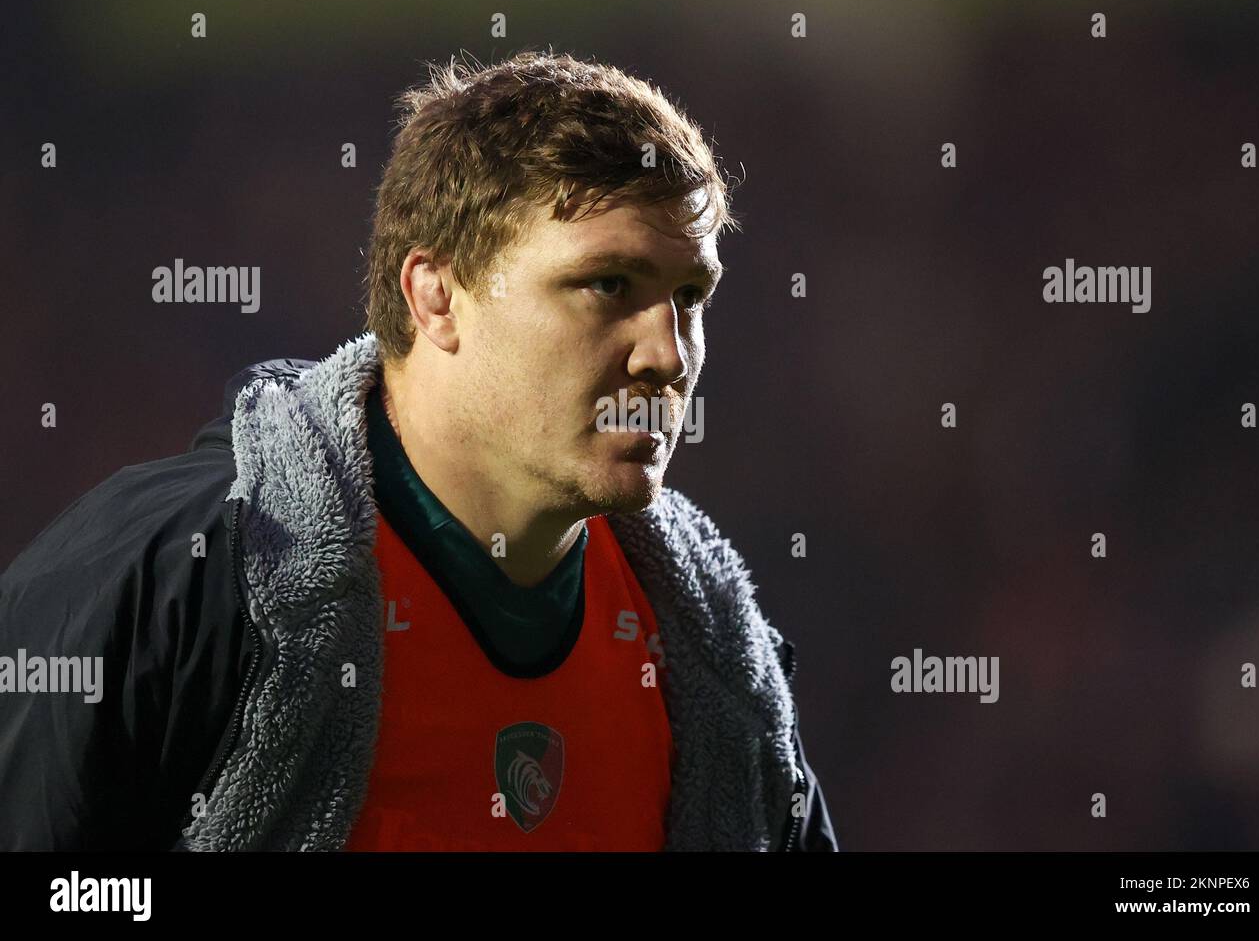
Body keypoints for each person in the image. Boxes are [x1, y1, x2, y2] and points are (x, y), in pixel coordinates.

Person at [0, 50, 837, 851]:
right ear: (435, 295)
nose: (668, 354)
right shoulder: (171, 582)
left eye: (690, 297)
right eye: (607, 285)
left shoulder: (719, 663)